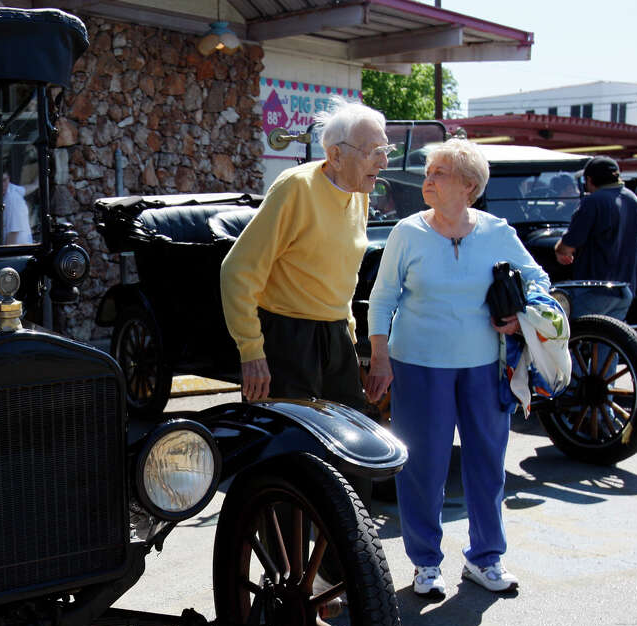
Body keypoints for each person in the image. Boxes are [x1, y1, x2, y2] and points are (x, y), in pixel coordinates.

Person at [365, 138, 551, 598]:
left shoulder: (497, 232)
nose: (428, 179)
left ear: (468, 185)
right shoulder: (407, 232)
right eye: (428, 171)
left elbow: (539, 280)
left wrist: (519, 315)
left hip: (484, 367)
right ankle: (426, 563)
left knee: (487, 464)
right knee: (422, 469)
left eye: (440, 172)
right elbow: (383, 296)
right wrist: (380, 356)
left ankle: (485, 558)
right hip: (418, 365)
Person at [219, 97, 391, 409]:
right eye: (372, 152)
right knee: (292, 440)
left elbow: (342, 276)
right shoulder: (297, 188)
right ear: (336, 155)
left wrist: (349, 341)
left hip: (335, 333)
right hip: (287, 336)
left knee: (349, 438)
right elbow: (238, 269)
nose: (384, 162)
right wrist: (251, 350)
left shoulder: (358, 195)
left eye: (385, 150)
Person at [553, 155, 637, 320]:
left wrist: (560, 251)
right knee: (607, 341)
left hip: (594, 290)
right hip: (626, 290)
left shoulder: (593, 202)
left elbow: (566, 248)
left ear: (589, 179)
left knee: (571, 336)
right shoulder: (634, 201)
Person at [0, 165, 33, 245]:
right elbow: (26, 189)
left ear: (9, 179)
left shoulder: (13, 199)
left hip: (16, 254)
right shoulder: (7, 191)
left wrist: (5, 256)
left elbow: (13, 234)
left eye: (4, 180)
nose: (2, 185)